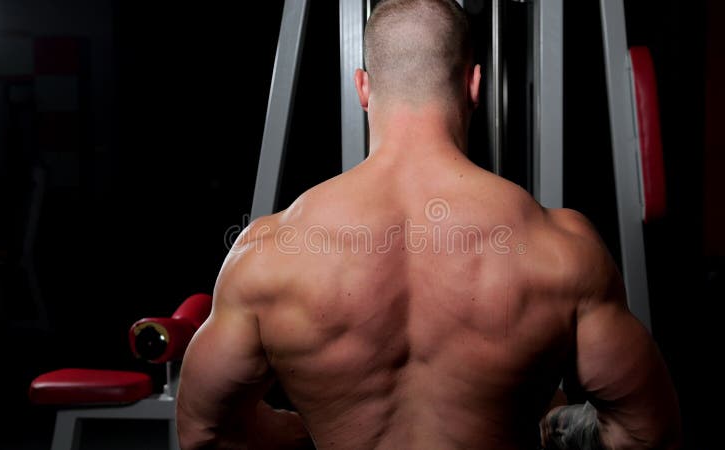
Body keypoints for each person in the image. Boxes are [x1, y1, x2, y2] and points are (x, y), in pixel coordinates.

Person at [176, 0, 682, 448]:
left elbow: (204, 431)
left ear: (363, 88)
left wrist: (302, 432)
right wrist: (554, 428)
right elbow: (645, 432)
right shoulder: (561, 249)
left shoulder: (267, 253)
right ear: (475, 84)